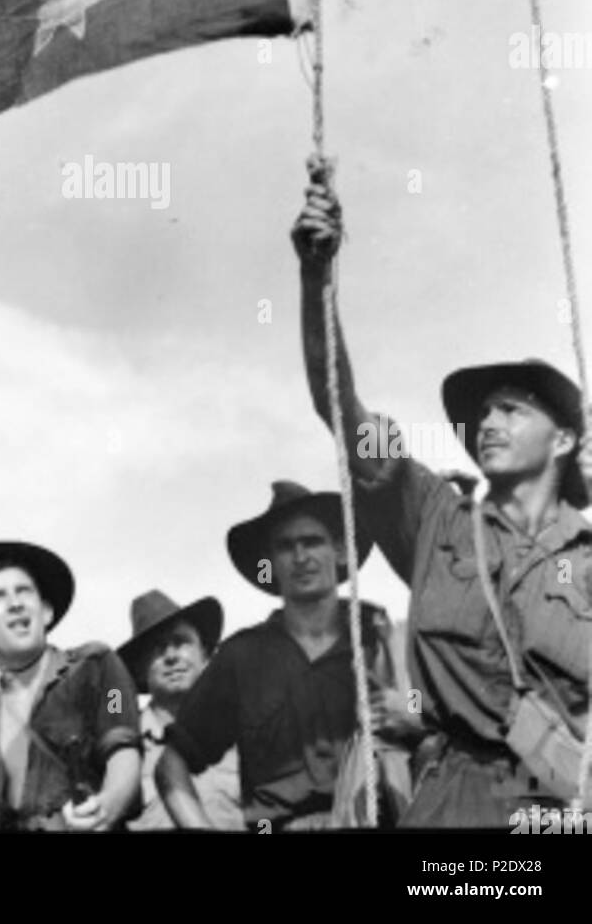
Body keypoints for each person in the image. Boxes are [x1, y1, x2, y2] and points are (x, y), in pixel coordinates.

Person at [291, 156, 592, 826]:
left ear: (565, 440)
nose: (488, 422)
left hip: (567, 802)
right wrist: (317, 277)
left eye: (512, 409)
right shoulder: (433, 518)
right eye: (482, 412)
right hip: (455, 803)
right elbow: (341, 411)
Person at [156, 481, 406, 830]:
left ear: (339, 550)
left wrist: (412, 709)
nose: (301, 557)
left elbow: (432, 712)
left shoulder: (379, 637)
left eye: (312, 541)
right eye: (286, 547)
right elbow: (171, 764)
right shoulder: (242, 657)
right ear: (272, 564)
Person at [0, 540, 142, 832]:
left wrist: (106, 806)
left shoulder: (95, 668)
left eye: (24, 591)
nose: (15, 604)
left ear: (46, 611)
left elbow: (123, 748)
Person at [117, 589, 243, 831]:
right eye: (158, 648)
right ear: (141, 669)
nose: (171, 656)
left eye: (181, 642)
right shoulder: (124, 753)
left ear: (206, 654)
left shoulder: (245, 736)